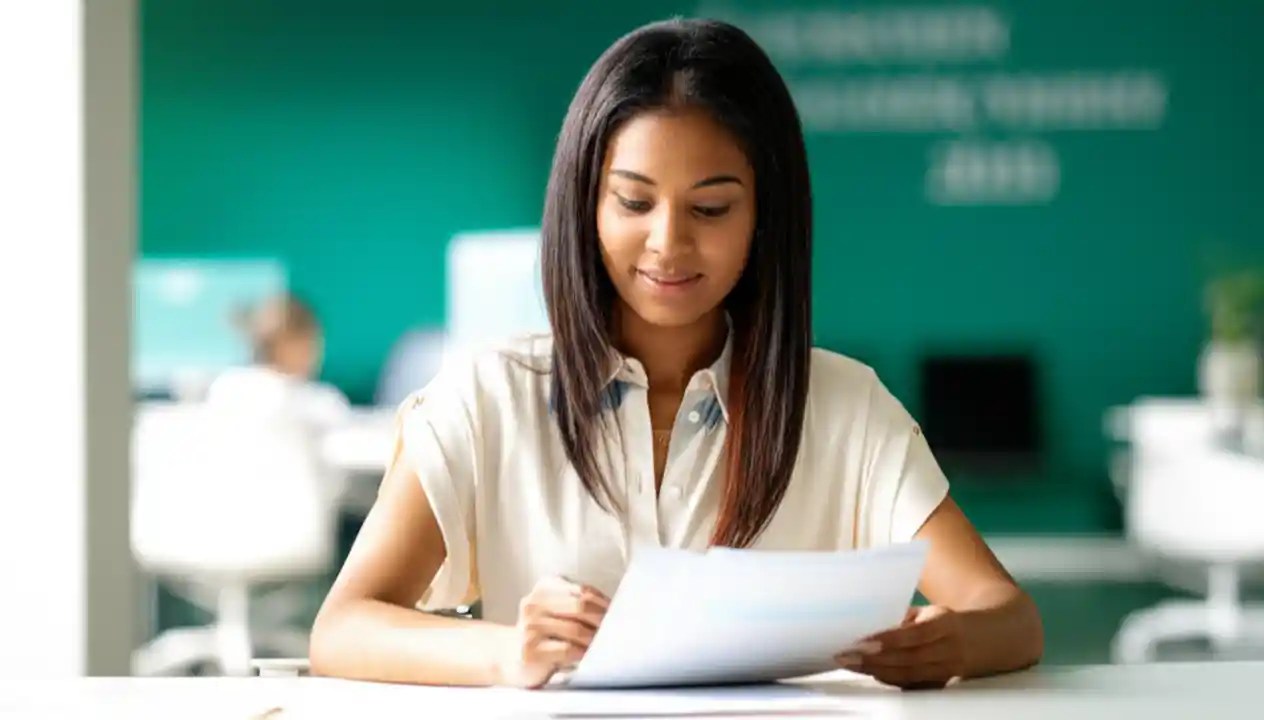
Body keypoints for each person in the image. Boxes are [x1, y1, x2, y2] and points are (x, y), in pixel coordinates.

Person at [309, 18, 1043, 690]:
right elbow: (343, 628)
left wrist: (953, 642)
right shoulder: (489, 395)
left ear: (764, 215)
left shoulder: (844, 406)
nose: (668, 243)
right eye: (633, 202)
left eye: (712, 208)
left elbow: (1008, 614)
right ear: (585, 205)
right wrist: (507, 652)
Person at [205, 292, 350, 430]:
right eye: (314, 342)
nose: (317, 353)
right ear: (294, 343)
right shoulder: (320, 404)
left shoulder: (225, 386)